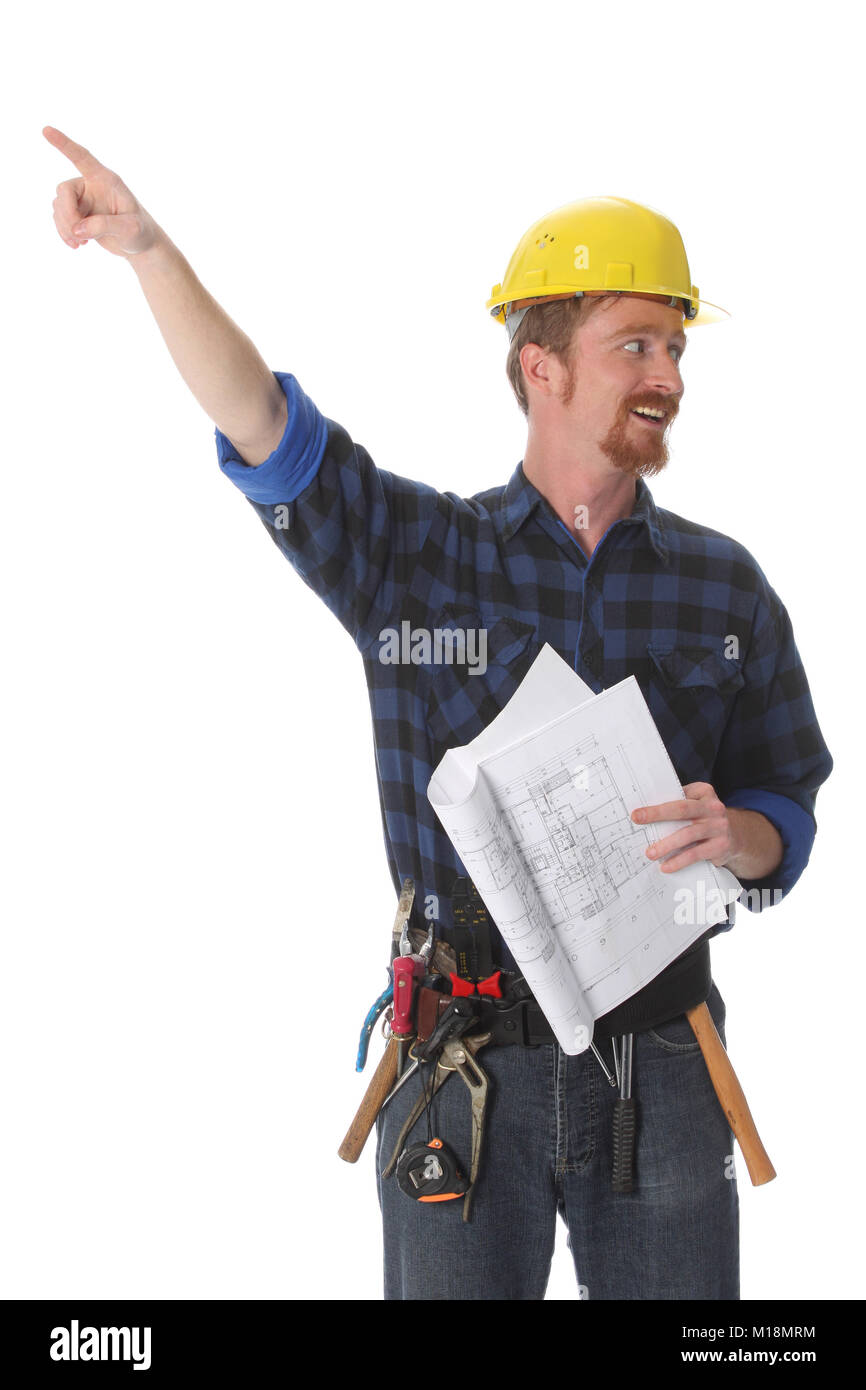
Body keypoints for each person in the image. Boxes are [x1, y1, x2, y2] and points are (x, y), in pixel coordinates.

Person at [45, 126, 833, 1301]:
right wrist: (150, 251)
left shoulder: (723, 586)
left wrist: (745, 838)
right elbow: (268, 430)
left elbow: (785, 804)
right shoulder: (419, 560)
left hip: (663, 1067)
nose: (666, 372)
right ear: (541, 367)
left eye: (672, 344)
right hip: (460, 1074)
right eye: (634, 344)